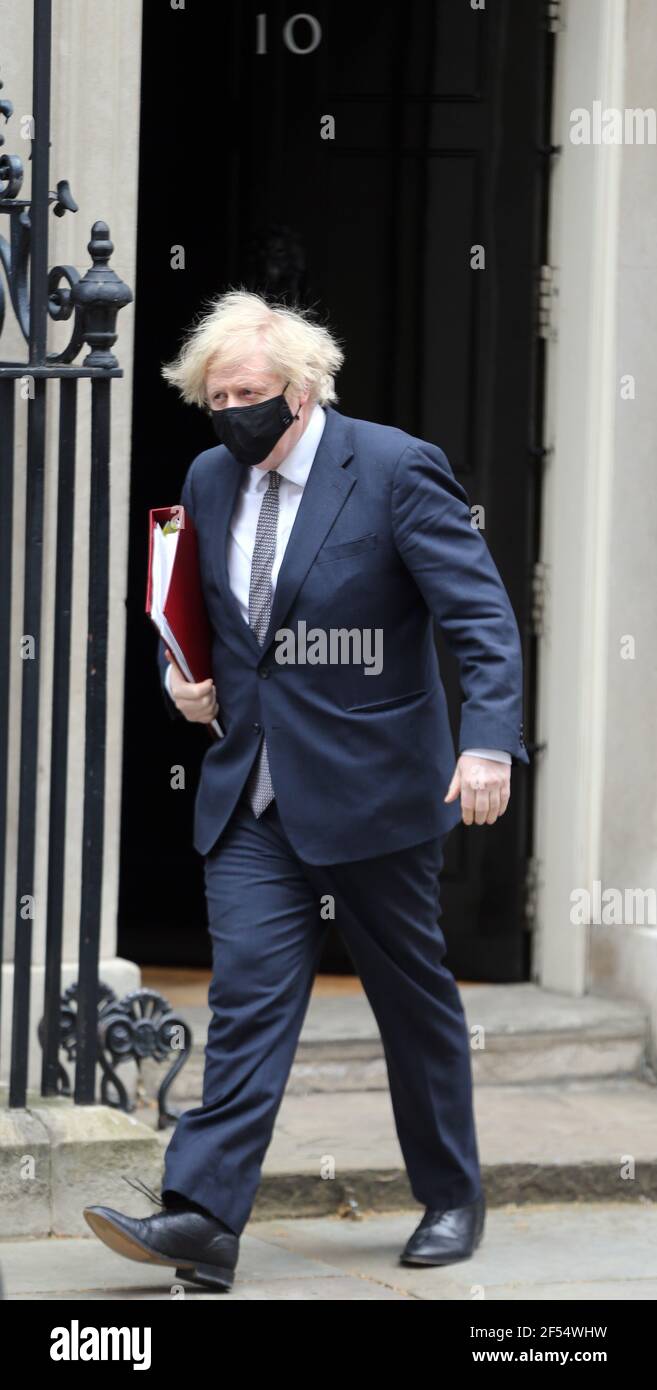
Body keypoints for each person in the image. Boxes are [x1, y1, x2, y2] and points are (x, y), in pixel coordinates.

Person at [84, 289, 529, 1293]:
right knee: (245, 999)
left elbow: (481, 619)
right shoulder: (209, 476)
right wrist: (179, 682)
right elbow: (210, 626)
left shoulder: (393, 468)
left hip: (375, 796)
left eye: (248, 392)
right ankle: (202, 1215)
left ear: (303, 386)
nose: (231, 409)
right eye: (216, 396)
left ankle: (453, 1193)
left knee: (411, 1004)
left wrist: (489, 743)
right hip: (252, 793)